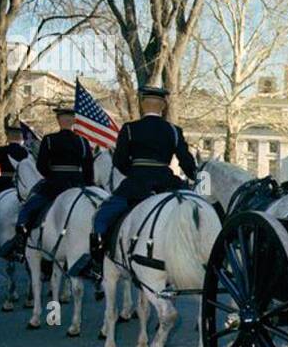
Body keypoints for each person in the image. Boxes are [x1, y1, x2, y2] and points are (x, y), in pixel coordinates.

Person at [70, 84, 197, 279]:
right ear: (163, 106)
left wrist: (135, 173)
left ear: (142, 105)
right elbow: (187, 162)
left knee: (101, 218)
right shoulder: (173, 130)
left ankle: (96, 264)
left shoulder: (130, 129)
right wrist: (194, 179)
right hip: (168, 183)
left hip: (135, 186)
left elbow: (119, 161)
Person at [1, 104, 96, 258]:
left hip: (54, 185)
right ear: (73, 121)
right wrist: (86, 184)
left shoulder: (49, 139)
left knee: (28, 209)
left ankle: (21, 242)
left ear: (58, 121)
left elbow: (41, 166)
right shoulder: (83, 142)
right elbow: (88, 167)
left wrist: (51, 177)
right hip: (77, 184)